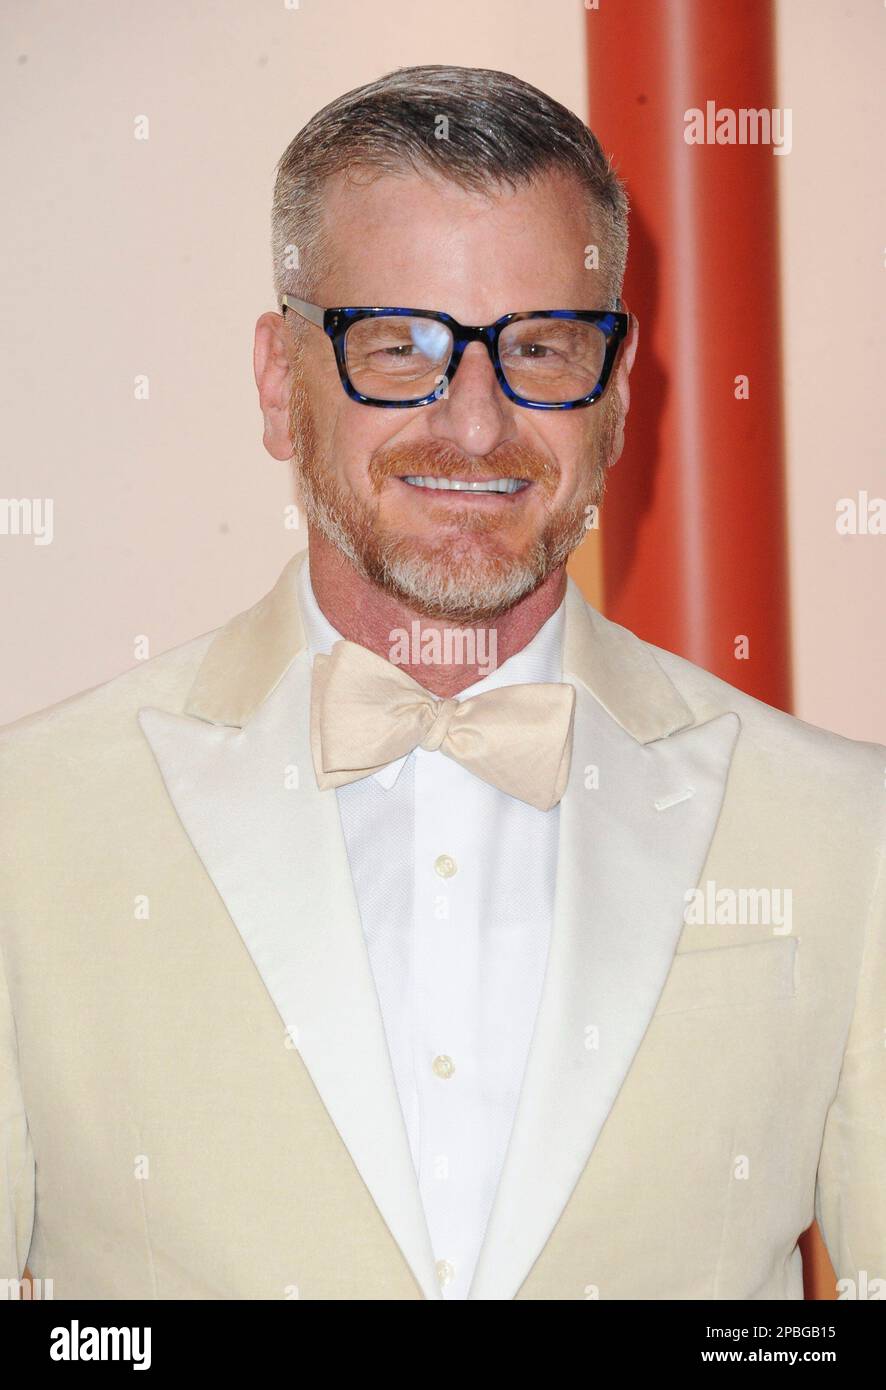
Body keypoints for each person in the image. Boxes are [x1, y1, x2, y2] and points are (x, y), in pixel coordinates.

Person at [1, 65, 883, 1302]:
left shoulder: (847, 832)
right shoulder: (27, 825)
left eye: (539, 345)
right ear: (277, 381)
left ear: (617, 396)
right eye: (401, 345)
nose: (476, 424)